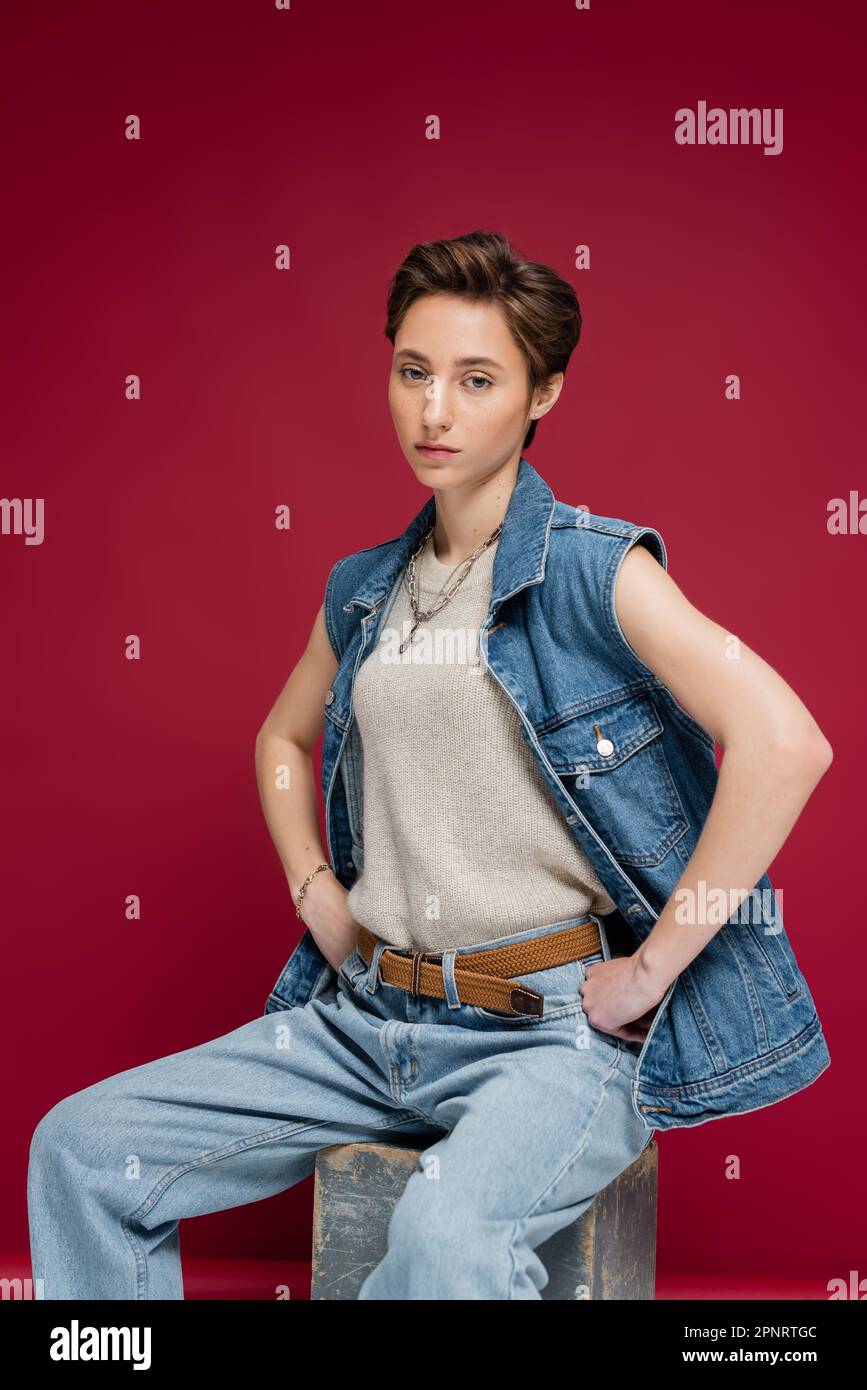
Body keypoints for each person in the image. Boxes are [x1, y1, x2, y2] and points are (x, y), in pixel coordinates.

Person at [27, 230, 832, 1300]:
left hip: (545, 1039)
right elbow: (281, 738)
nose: (434, 410)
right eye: (413, 372)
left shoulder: (596, 569)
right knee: (81, 1151)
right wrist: (315, 885)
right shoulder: (364, 588)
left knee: (446, 1244)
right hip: (368, 1020)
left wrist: (651, 973)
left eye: (477, 378)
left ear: (544, 391)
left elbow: (787, 742)